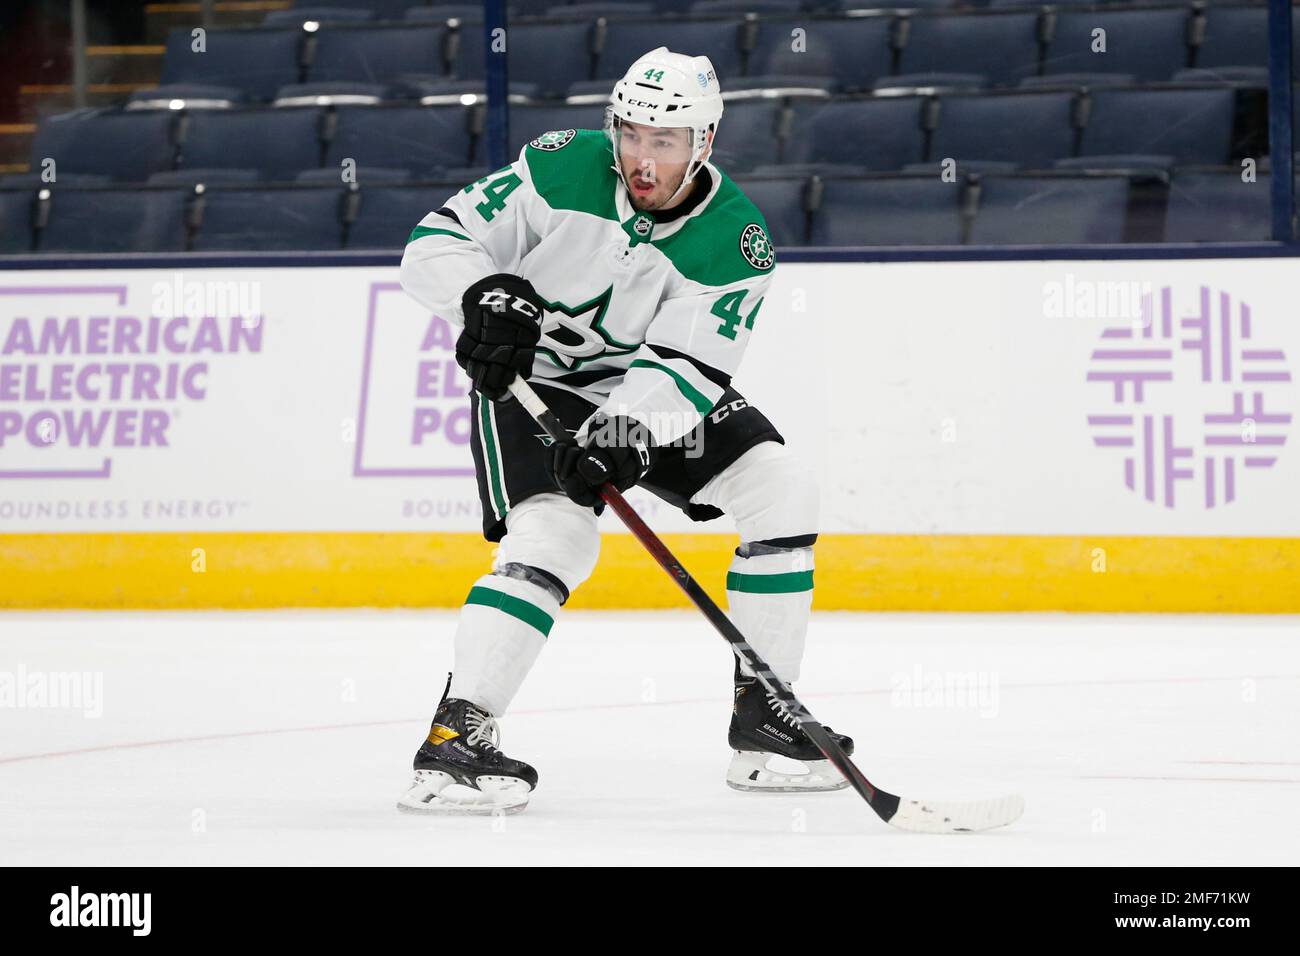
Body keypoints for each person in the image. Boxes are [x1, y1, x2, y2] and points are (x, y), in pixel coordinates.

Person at [396, 46, 850, 814]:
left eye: (664, 141)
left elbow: (691, 371)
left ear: (704, 141)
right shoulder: (559, 168)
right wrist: (486, 296)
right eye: (630, 133)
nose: (641, 156)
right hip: (533, 385)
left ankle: (766, 719)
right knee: (556, 536)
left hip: (642, 390)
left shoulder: (736, 241)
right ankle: (455, 739)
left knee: (784, 490)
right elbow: (431, 245)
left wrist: (626, 433)